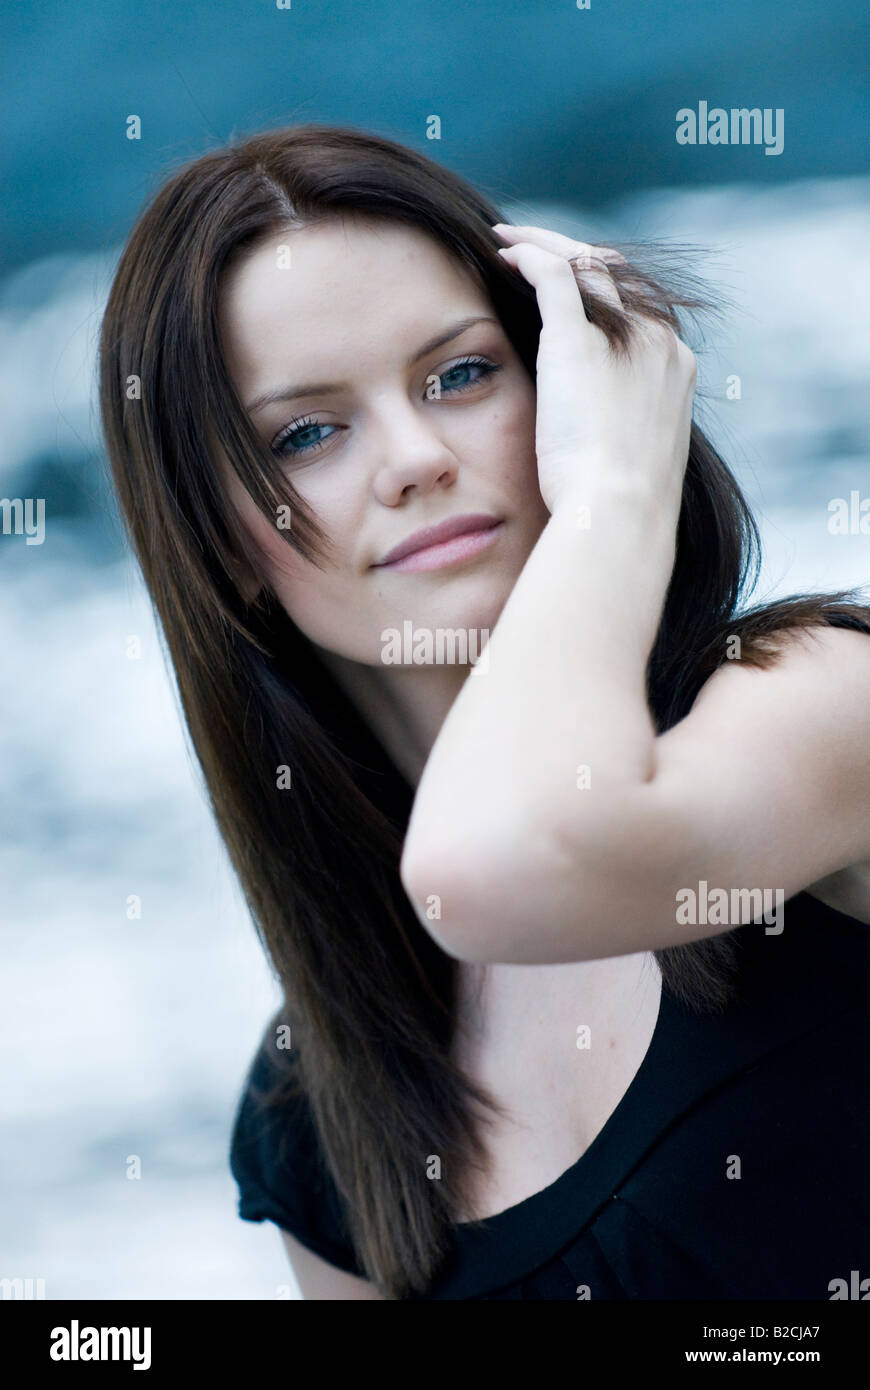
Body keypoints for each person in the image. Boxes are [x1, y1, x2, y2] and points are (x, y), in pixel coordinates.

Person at [98, 123, 870, 1301]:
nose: (414, 457)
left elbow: (492, 866)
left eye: (460, 374)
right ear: (224, 547)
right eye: (305, 433)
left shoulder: (816, 703)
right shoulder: (318, 1122)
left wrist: (619, 495)